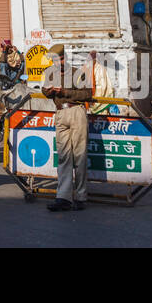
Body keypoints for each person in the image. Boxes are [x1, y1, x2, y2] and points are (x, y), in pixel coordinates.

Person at [42, 44, 95, 212]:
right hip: (60, 114)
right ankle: (63, 197)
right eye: (56, 60)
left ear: (66, 58)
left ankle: (80, 197)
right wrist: (48, 91)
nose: (59, 63)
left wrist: (64, 91)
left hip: (76, 112)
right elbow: (44, 89)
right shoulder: (50, 73)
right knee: (64, 157)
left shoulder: (77, 73)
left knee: (79, 156)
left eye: (62, 59)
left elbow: (87, 94)